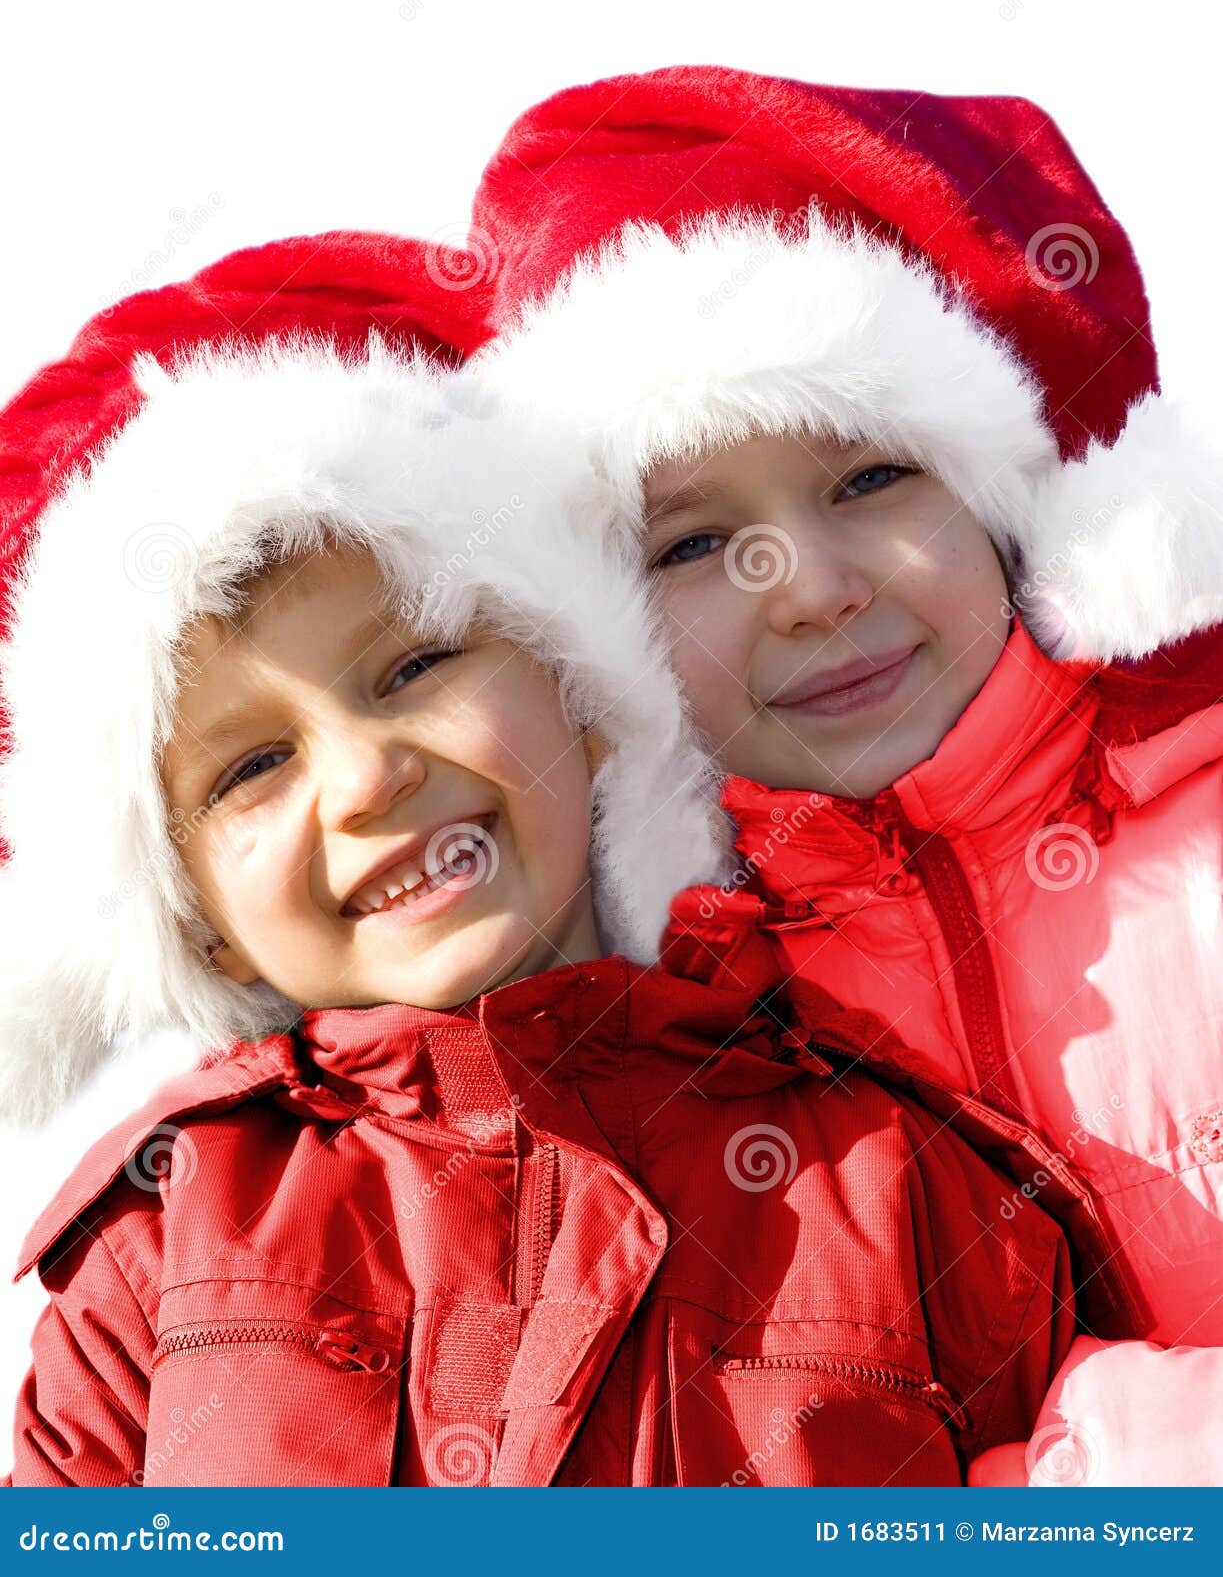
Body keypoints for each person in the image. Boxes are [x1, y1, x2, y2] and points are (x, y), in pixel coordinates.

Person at [0, 235, 1073, 1487]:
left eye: (416, 668)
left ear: (584, 690)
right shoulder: (158, 1252)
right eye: (249, 769)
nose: (364, 777)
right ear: (198, 922)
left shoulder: (897, 1184)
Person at [468, 63, 1223, 1483]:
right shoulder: (693, 1025)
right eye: (690, 544)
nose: (806, 586)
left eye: (870, 479)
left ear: (1007, 496)